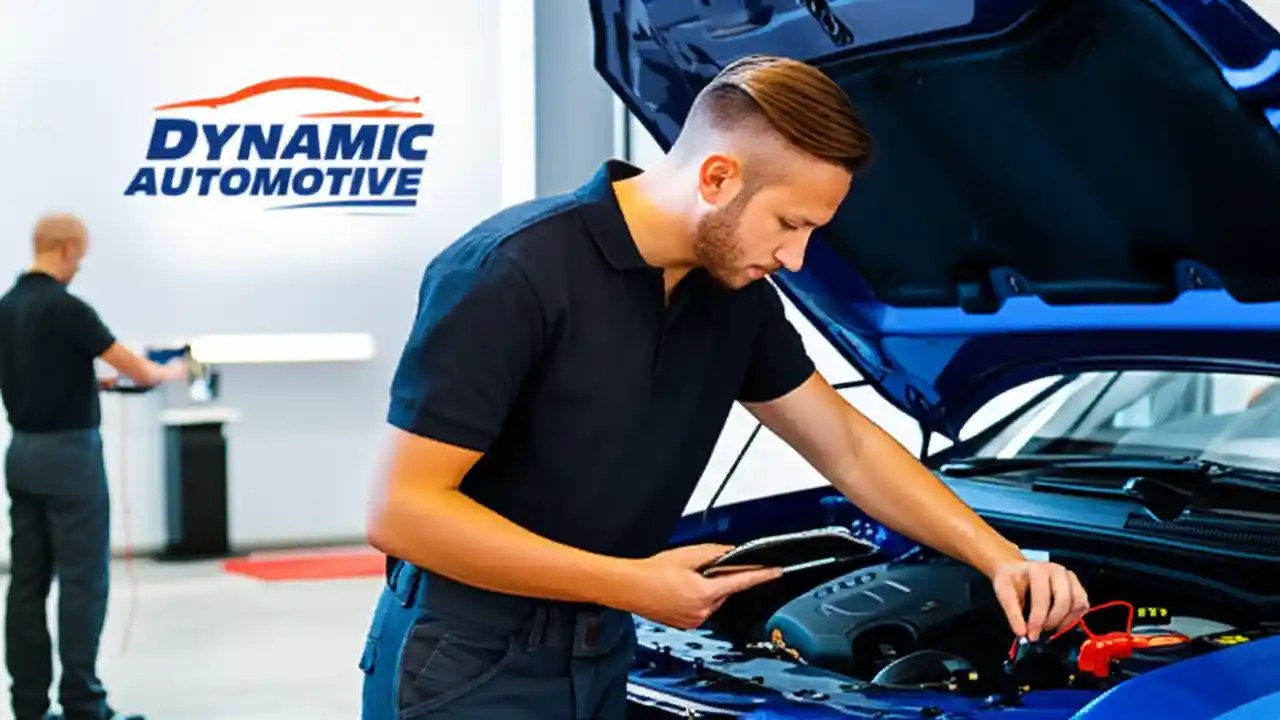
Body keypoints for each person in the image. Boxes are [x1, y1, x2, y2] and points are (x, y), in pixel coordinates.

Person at [359, 55, 1091, 719]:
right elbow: (405, 513)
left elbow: (847, 445)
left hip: (600, 646)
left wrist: (1000, 557)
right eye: (789, 224)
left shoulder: (733, 298)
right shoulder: (511, 271)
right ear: (717, 176)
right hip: (469, 657)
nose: (797, 258)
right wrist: (630, 585)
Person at [0, 213, 187, 720]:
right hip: (71, 460)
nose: (80, 264)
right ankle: (83, 704)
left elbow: (35, 374)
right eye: (80, 254)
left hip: (22, 456)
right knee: (83, 583)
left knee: (27, 585)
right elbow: (139, 369)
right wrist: (173, 369)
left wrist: (88, 384)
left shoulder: (7, 307)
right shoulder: (69, 310)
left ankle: (29, 707)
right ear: (66, 248)